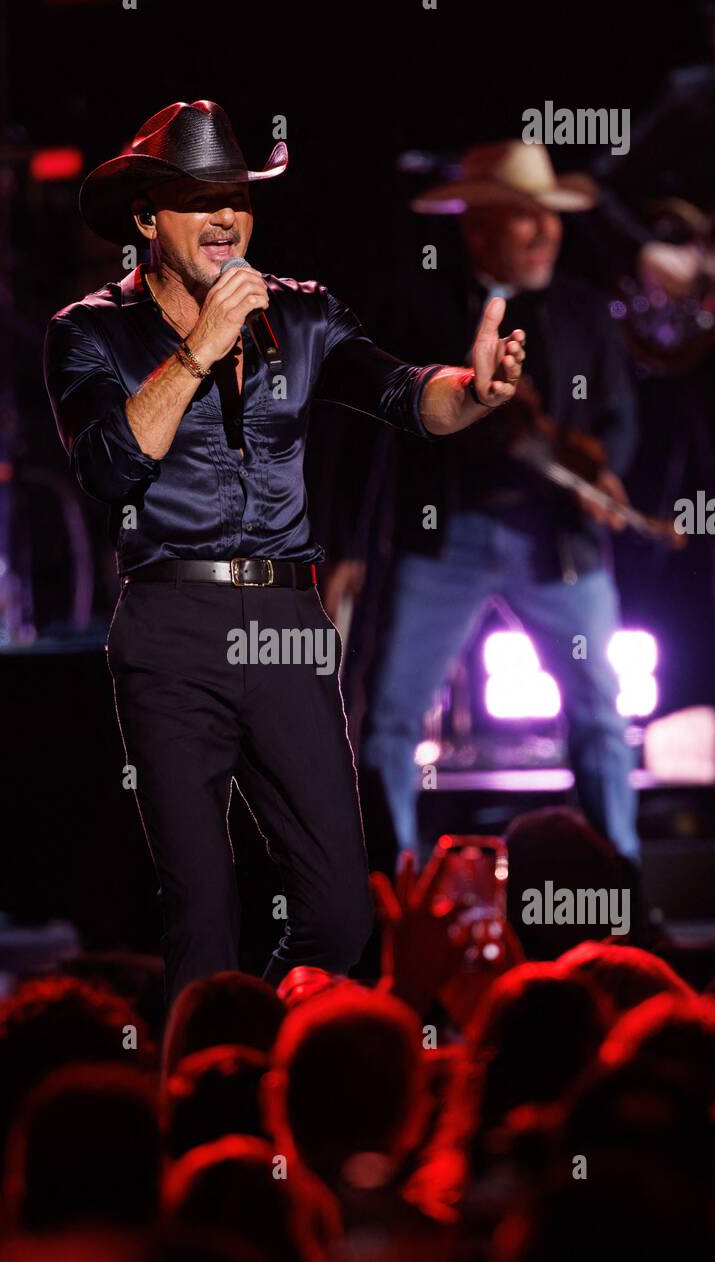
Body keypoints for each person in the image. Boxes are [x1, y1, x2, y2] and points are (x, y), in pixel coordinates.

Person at [44, 101, 526, 1001]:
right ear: (147, 219)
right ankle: (200, 1110)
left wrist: (475, 391)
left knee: (340, 915)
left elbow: (400, 392)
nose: (226, 217)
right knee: (203, 911)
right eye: (199, 199)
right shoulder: (89, 331)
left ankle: (252, 1048)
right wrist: (198, 350)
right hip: (170, 622)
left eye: (237, 195)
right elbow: (108, 469)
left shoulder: (300, 314)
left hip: (286, 623)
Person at [330, 141, 640, 863]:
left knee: (600, 713)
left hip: (554, 540)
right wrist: (344, 545)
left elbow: (619, 417)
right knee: (390, 721)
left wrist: (603, 478)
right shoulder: (415, 306)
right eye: (523, 219)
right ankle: (397, 895)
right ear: (475, 228)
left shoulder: (581, 309)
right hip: (444, 540)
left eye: (550, 218)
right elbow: (357, 430)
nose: (545, 232)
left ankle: (619, 883)